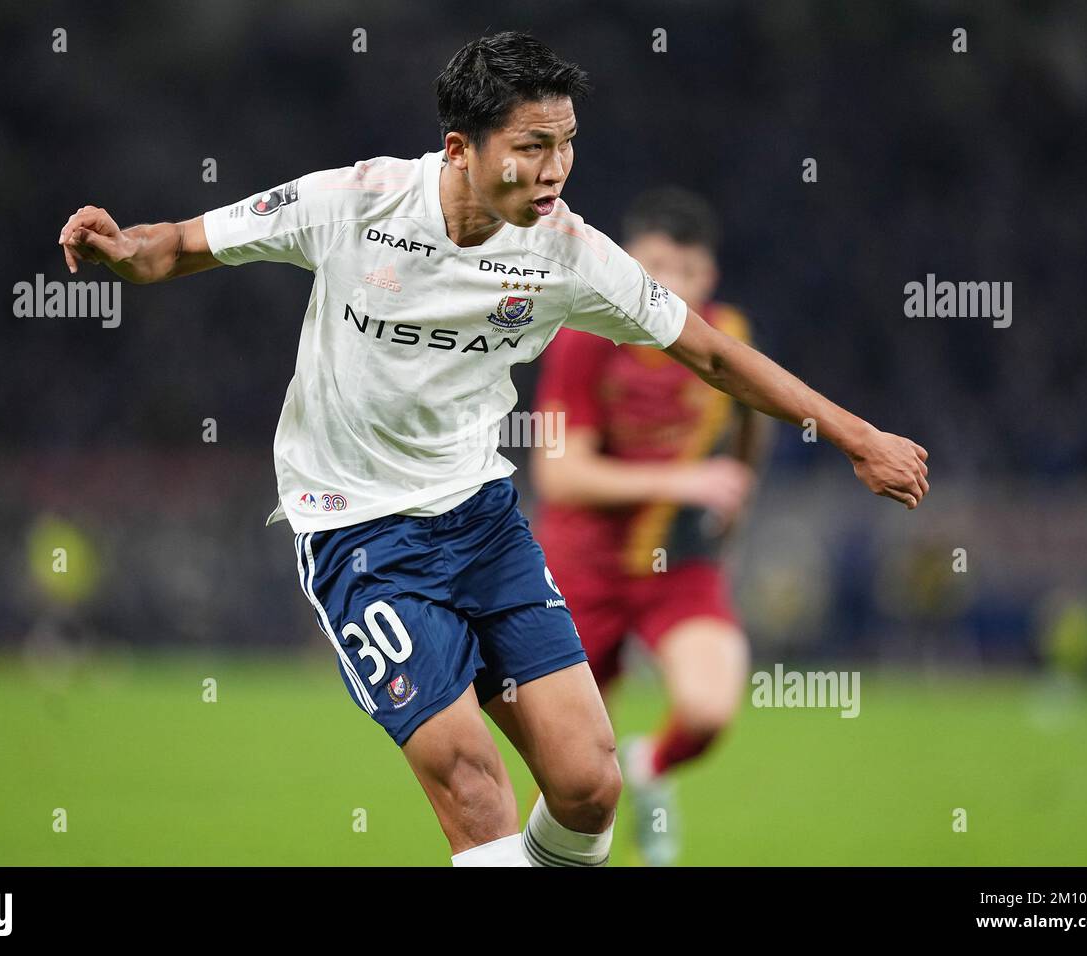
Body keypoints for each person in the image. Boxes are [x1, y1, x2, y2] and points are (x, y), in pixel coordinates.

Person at [56, 31, 929, 867]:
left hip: (481, 523)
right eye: (531, 145)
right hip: (361, 536)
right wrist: (123, 249)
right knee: (477, 792)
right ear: (460, 148)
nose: (553, 170)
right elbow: (178, 245)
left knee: (589, 785)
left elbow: (709, 351)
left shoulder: (569, 255)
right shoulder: (354, 202)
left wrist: (858, 437)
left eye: (568, 144)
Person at [533, 186, 766, 865]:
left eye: (686, 270)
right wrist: (684, 481)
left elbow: (751, 417)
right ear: (626, 262)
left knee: (708, 709)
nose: (669, 284)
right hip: (582, 568)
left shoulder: (728, 337)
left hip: (679, 564)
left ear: (709, 277)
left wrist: (737, 491)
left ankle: (652, 766)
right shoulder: (582, 336)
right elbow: (558, 475)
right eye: (655, 266)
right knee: (574, 777)